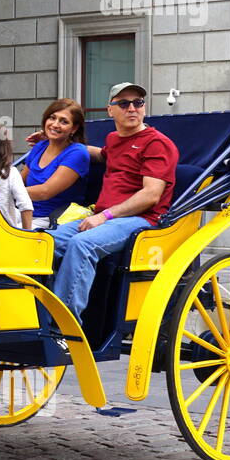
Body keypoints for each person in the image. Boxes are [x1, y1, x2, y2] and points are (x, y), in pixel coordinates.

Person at [46, 83, 178, 322]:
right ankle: (37, 316)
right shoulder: (114, 139)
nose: (132, 108)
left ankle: (64, 325)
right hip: (105, 217)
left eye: (138, 103)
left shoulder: (157, 143)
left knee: (82, 245)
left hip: (140, 220)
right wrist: (56, 142)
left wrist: (104, 216)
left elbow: (151, 195)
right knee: (44, 242)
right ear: (110, 111)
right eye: (124, 104)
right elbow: (102, 154)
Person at [20, 99, 90, 229]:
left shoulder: (77, 153)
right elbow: (19, 181)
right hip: (24, 211)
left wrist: (8, 191)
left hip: (52, 220)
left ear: (74, 128)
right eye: (52, 118)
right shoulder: (40, 146)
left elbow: (45, 192)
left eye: (64, 121)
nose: (55, 124)